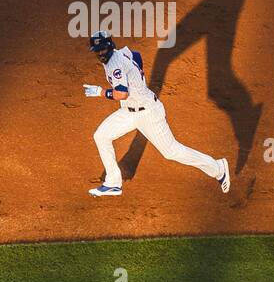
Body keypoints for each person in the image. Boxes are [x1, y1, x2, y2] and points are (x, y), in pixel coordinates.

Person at [82, 31, 229, 197]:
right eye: (97, 50)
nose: (100, 53)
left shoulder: (115, 64)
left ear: (110, 46)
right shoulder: (122, 53)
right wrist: (137, 78)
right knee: (101, 135)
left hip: (148, 113)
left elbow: (121, 94)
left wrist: (100, 92)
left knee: (171, 152)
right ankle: (113, 183)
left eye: (102, 49)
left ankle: (218, 168)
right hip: (129, 113)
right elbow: (136, 56)